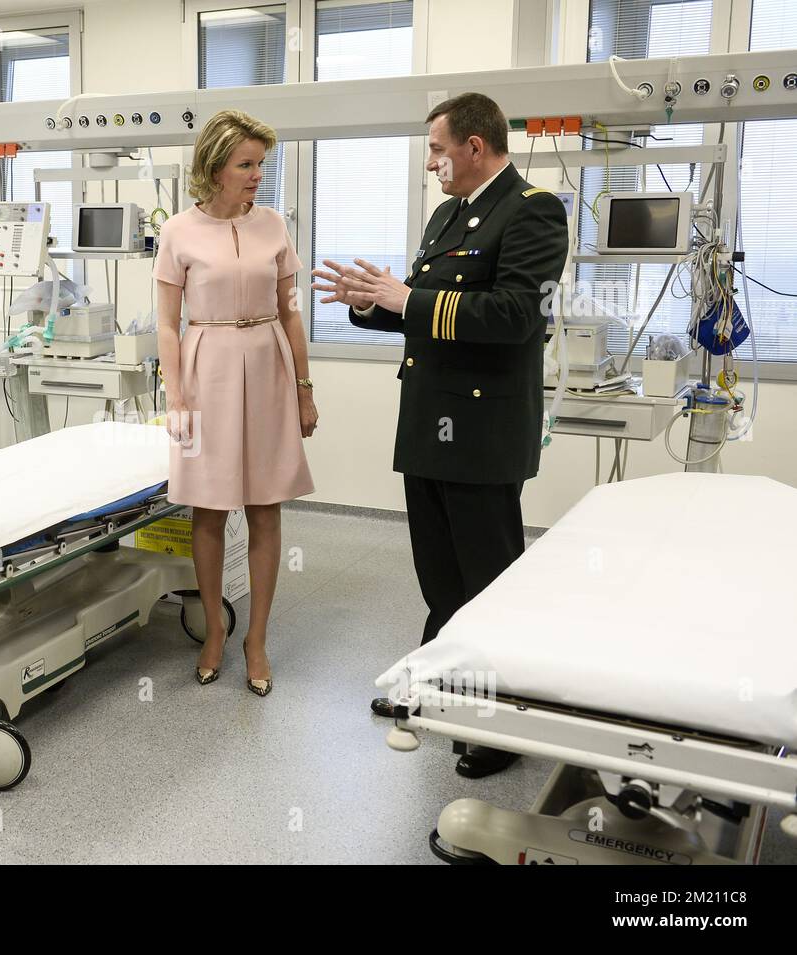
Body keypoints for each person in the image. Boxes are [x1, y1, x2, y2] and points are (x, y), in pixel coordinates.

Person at [311, 92, 568, 777]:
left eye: (436, 149)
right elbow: (423, 311)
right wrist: (373, 304)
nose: (431, 163)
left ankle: (496, 722)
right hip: (429, 422)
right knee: (442, 579)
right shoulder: (448, 213)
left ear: (474, 147)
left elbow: (516, 315)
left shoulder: (534, 210)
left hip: (482, 431)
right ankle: (438, 686)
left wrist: (408, 298)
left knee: (486, 580)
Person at [154, 109, 317, 698]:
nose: (256, 176)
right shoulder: (179, 232)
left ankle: (258, 638)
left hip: (268, 359)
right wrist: (176, 396)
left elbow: (292, 310)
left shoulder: (273, 225)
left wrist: (303, 386)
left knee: (266, 505)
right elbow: (167, 326)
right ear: (215, 167)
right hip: (208, 364)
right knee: (208, 507)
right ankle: (216, 632)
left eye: (260, 165)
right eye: (246, 165)